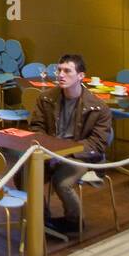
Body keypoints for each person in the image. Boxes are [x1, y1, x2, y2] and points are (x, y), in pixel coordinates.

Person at [24, 54, 113, 234]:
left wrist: (68, 153)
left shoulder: (99, 107)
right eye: (59, 70)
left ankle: (74, 221)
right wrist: (48, 149)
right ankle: (42, 218)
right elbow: (37, 127)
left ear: (81, 76)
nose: (61, 75)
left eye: (67, 71)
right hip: (50, 152)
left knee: (61, 182)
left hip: (82, 156)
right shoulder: (46, 98)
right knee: (23, 175)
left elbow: (97, 143)